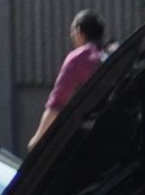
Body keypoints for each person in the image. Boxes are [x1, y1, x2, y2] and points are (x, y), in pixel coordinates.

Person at [30, 11, 107, 145]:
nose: (72, 36)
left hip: (92, 136)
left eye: (72, 32)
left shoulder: (79, 58)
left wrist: (37, 139)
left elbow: (57, 103)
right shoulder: (114, 53)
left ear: (79, 32)